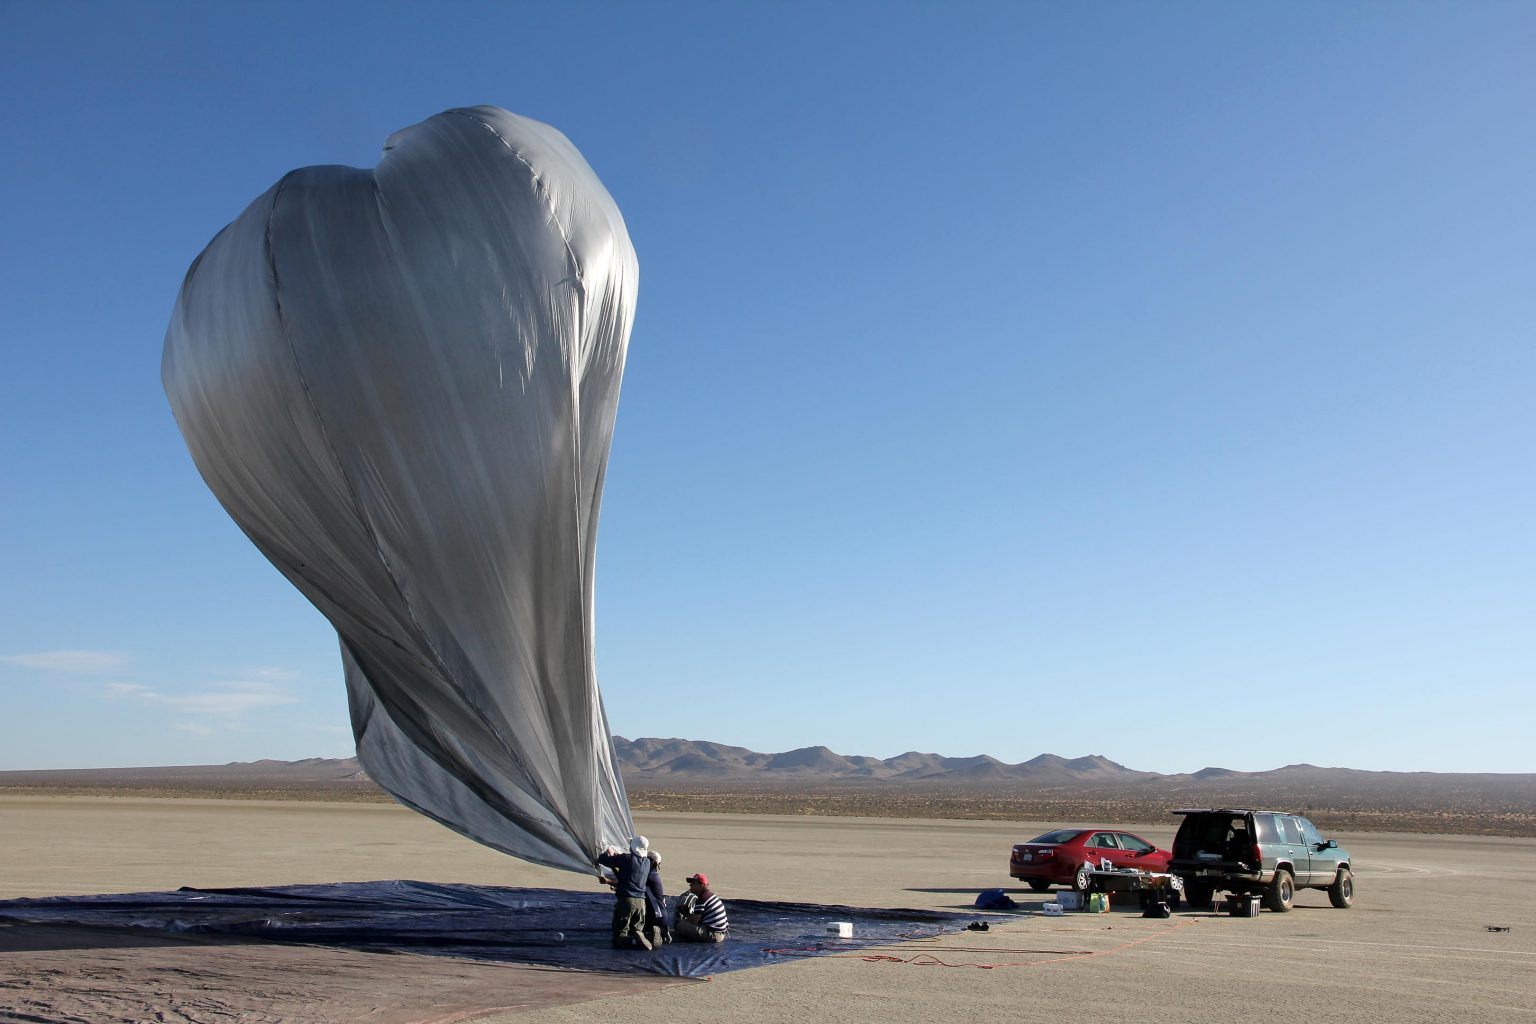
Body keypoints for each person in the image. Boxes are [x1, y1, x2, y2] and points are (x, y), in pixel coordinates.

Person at [596, 836, 655, 950]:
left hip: (627, 901)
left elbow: (603, 860)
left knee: (620, 936)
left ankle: (633, 940)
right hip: (641, 902)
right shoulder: (647, 862)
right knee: (636, 930)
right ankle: (646, 937)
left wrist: (609, 853)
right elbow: (627, 877)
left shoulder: (626, 858)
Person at [672, 871, 728, 943]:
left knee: (680, 925)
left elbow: (694, 921)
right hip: (719, 932)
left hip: (714, 934)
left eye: (693, 883)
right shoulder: (710, 895)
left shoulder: (702, 898)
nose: (690, 885)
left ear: (701, 885)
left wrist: (685, 912)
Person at [643, 849, 671, 946]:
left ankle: (652, 933)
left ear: (652, 862)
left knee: (634, 932)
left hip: (655, 917)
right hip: (663, 917)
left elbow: (631, 882)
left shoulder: (648, 876)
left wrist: (609, 881)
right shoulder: (654, 875)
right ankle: (663, 930)